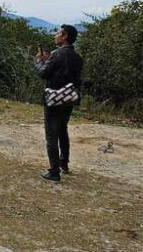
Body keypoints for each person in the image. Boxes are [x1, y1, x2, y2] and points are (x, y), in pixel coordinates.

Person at [35, 24, 84, 182]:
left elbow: (43, 73)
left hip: (54, 98)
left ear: (64, 37)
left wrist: (40, 61)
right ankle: (64, 163)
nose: (54, 36)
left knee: (51, 134)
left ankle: (54, 171)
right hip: (69, 98)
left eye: (57, 33)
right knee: (63, 129)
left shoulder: (56, 54)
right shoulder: (77, 57)